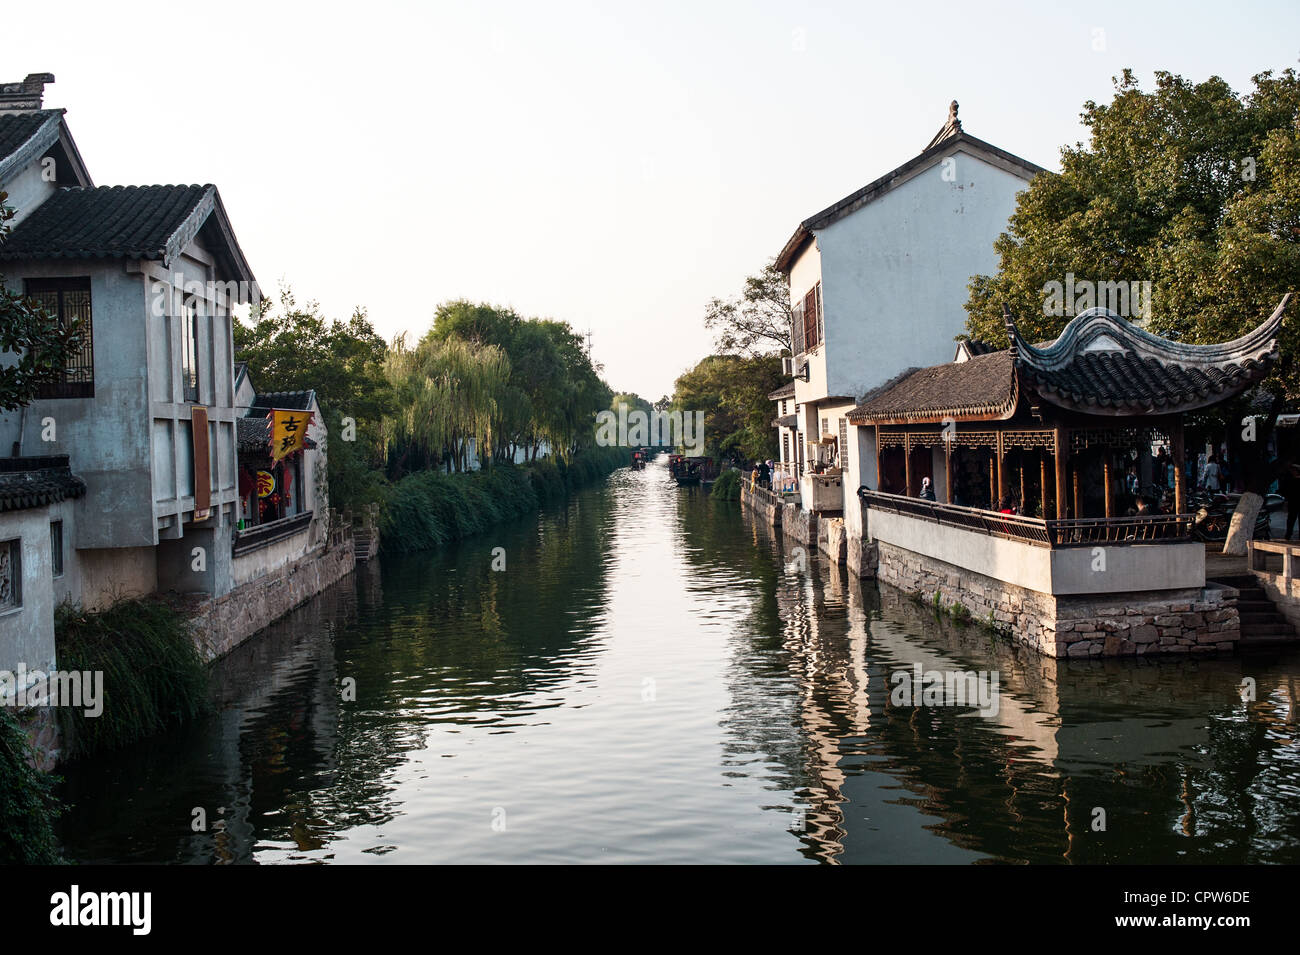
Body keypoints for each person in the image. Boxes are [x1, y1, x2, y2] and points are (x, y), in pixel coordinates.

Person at [1282, 463, 1300, 540]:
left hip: (1296, 503)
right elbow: (1287, 492)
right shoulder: (1290, 480)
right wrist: (1286, 502)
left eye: (1294, 470)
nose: (1292, 472)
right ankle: (1288, 535)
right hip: (1292, 503)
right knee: (1290, 520)